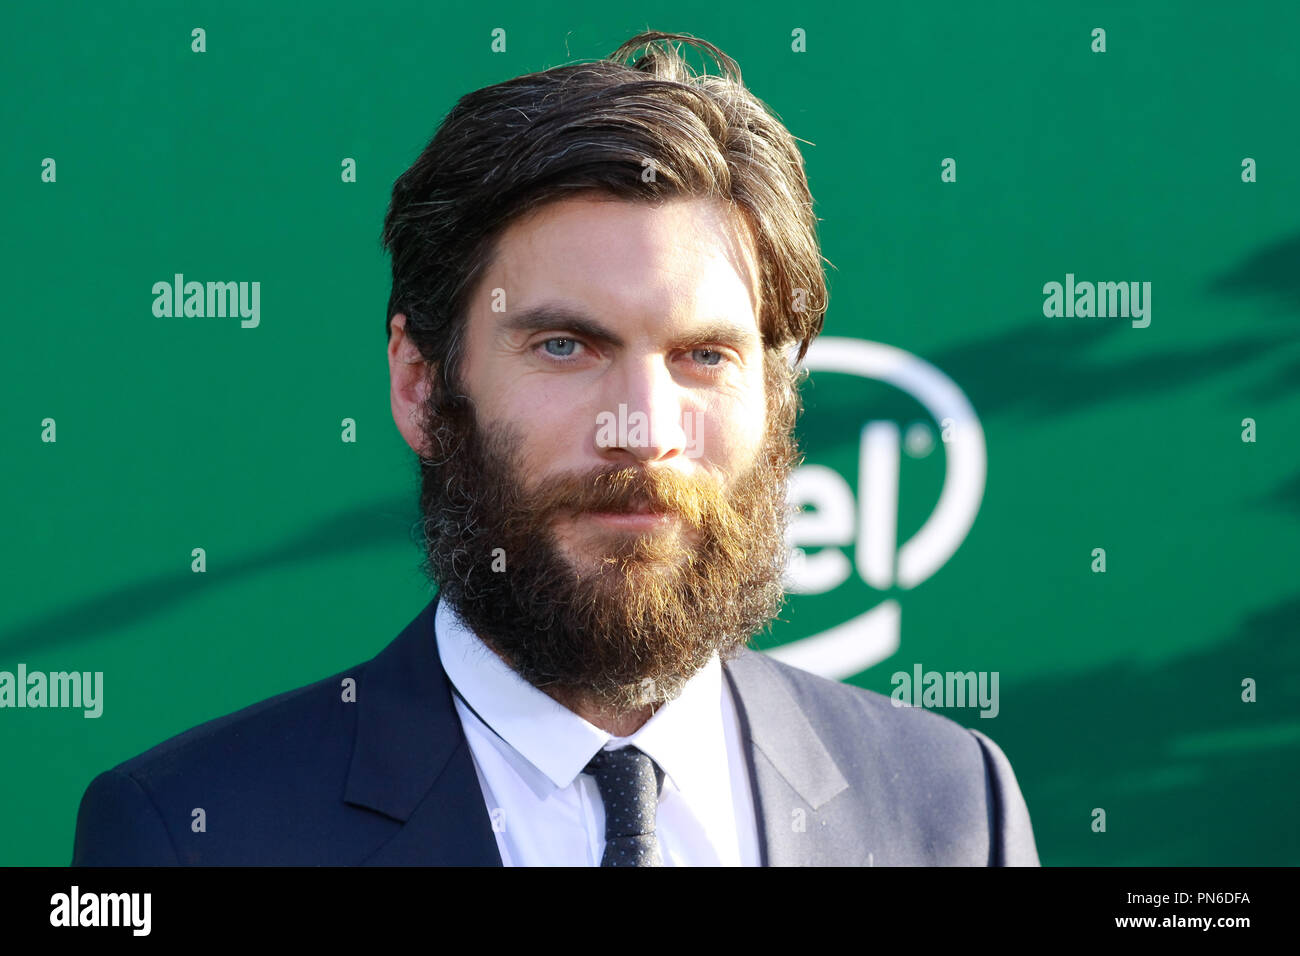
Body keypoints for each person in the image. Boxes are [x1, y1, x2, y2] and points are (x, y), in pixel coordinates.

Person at [72, 30, 1039, 866]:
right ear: (421, 382)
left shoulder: (952, 809)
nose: (644, 429)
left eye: (704, 354)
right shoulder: (193, 836)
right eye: (565, 346)